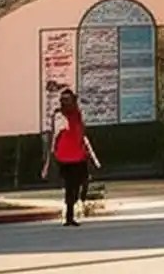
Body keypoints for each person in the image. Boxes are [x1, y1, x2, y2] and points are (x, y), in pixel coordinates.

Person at [42, 88, 100, 226]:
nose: (66, 103)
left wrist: (90, 154)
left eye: (68, 100)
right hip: (66, 157)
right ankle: (70, 215)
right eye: (64, 100)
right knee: (70, 186)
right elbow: (54, 136)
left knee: (81, 181)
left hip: (78, 155)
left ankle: (76, 205)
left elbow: (82, 134)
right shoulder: (60, 116)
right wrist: (49, 159)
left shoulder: (78, 114)